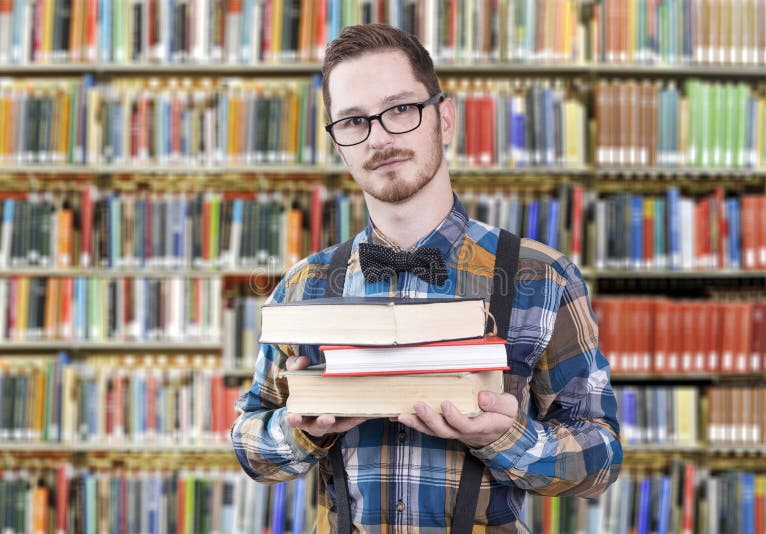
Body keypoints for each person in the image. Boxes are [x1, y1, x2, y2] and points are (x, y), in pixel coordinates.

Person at [231, 23, 622, 532]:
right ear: (338, 143)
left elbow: (602, 456)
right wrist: (298, 431)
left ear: (444, 117)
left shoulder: (542, 277)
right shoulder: (305, 287)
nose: (380, 138)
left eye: (400, 110)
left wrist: (506, 439)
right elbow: (249, 443)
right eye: (353, 121)